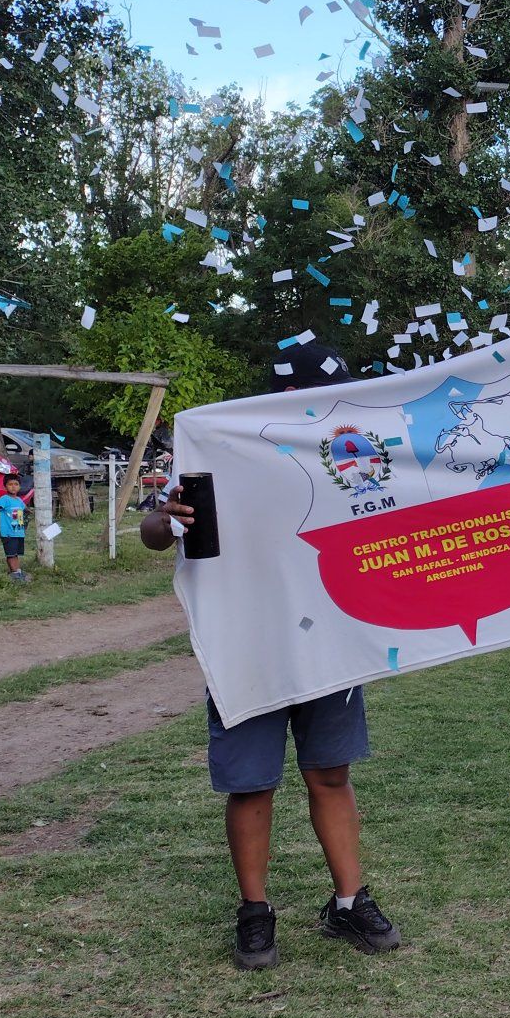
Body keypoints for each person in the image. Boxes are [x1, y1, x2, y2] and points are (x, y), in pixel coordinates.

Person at [140, 341, 403, 971]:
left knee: (331, 773)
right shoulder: (222, 452)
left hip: (328, 643)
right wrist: (166, 516)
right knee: (252, 783)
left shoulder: (357, 455)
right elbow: (156, 531)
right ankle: (255, 913)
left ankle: (348, 900)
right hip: (247, 643)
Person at [0, 474, 31, 583]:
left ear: (20, 486)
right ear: (5, 486)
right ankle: (14, 573)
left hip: (19, 532)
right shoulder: (4, 499)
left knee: (16, 554)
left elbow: (25, 509)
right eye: (10, 484)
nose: (13, 487)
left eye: (16, 484)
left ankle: (17, 571)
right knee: (10, 553)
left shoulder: (19, 500)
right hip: (8, 533)